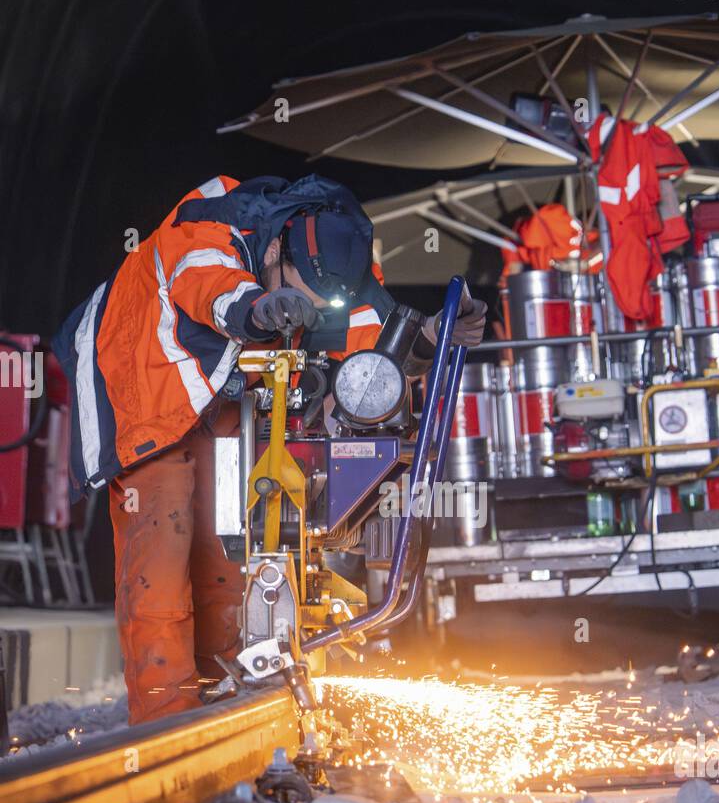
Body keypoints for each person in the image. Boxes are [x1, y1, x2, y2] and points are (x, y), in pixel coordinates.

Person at [54, 173, 486, 723]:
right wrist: (257, 309)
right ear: (276, 248)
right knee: (162, 546)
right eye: (297, 296)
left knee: (226, 553)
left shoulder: (345, 258)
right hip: (145, 377)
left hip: (226, 391)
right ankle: (163, 723)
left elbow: (369, 362)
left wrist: (429, 336)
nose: (312, 312)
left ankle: (224, 708)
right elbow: (204, 278)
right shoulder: (215, 212)